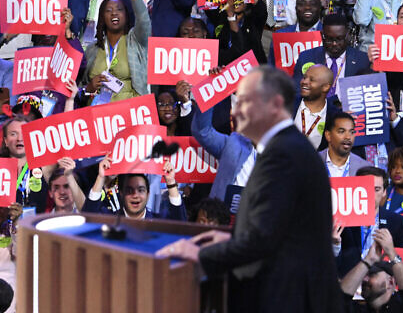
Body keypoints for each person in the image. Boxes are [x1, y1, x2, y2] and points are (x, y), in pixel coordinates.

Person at [156, 66, 344, 312]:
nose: (235, 110)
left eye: (245, 102)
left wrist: (199, 254)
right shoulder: (285, 148)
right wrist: (228, 236)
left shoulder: (287, 157)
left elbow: (264, 242)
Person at [81, 0, 150, 102]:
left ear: (126, 15)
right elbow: (80, 89)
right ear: (102, 17)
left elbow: (143, 18)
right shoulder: (92, 49)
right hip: (98, 114)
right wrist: (88, 88)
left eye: (119, 9)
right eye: (108, 10)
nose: (114, 13)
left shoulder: (135, 41)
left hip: (129, 112)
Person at [292, 15, 372, 103]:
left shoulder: (362, 60)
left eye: (339, 39)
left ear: (348, 35)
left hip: (349, 113)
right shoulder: (307, 57)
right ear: (322, 35)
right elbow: (297, 93)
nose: (334, 43)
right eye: (329, 39)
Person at [294, 64, 335, 151]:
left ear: (325, 87)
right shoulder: (285, 104)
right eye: (304, 77)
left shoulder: (335, 116)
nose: (304, 82)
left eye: (312, 80)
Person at [321, 111, 370, 177]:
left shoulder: (365, 168)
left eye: (352, 132)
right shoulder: (311, 163)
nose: (348, 137)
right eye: (341, 132)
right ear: (328, 135)